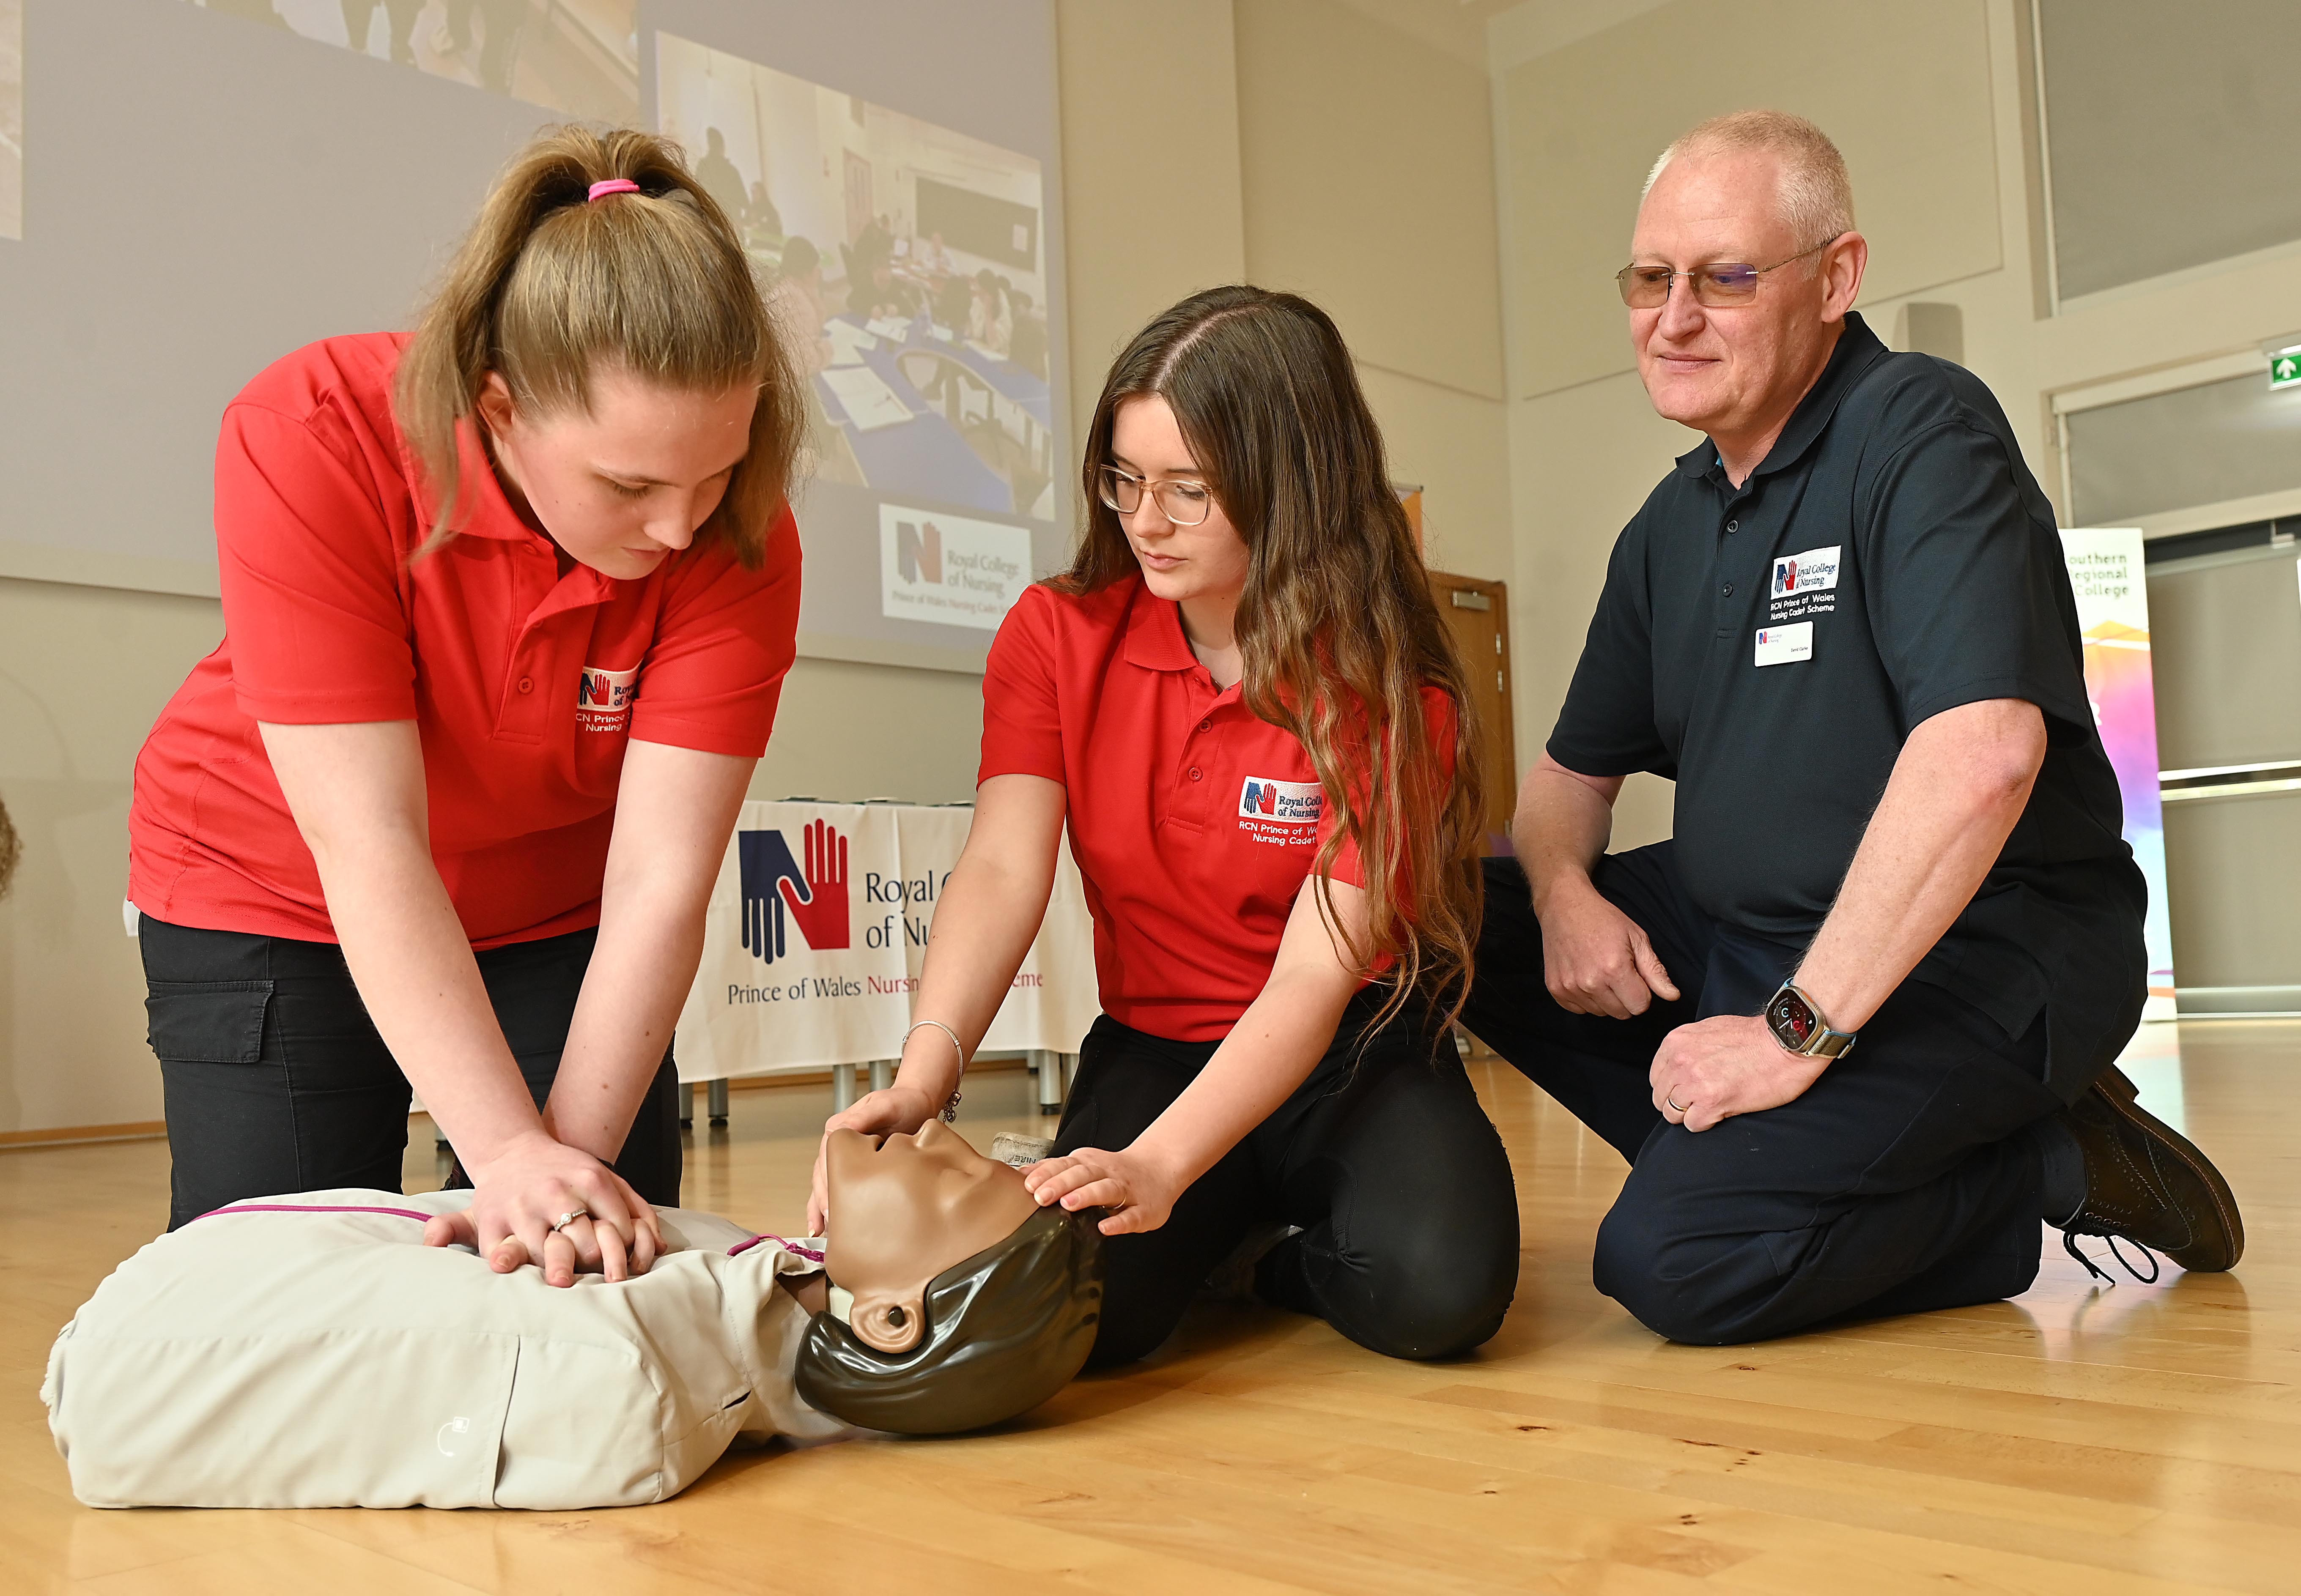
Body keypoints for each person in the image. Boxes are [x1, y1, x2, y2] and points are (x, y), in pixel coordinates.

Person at [1462, 111, 2242, 1347]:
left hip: (1978, 955)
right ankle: (1786, 1157)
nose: (1673, 318)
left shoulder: (1920, 434)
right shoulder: (1666, 529)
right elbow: (1562, 785)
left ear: (1836, 278)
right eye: (1648, 279)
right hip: (1749, 935)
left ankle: (2037, 1168)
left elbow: (1983, 754)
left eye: (1724, 277)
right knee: (1450, 914)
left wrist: (1794, 1033)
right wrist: (1562, 896)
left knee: (1676, 1259)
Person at [127, 127, 806, 1290]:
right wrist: (499, 1147)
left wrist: (557, 1180)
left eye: (715, 474)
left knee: (598, 1272)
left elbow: (660, 881)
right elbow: (367, 834)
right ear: (498, 407)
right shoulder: (314, 431)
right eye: (631, 484)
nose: (683, 529)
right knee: (276, 1292)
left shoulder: (736, 534)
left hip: (551, 910)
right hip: (272, 886)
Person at [807, 286, 1520, 1369]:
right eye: (1126, 480)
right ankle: (1213, 1228)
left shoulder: (1387, 685)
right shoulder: (1056, 633)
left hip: (1355, 1049)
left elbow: (1311, 978)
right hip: (1159, 1042)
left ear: (1294, 489)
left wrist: (1164, 1165)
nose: (1145, 520)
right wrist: (924, 1077)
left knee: (1439, 1295)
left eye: (1190, 490)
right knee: (1088, 1326)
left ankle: (1268, 1259)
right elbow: (1002, 866)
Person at [45, 1123, 1102, 1507]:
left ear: (887, 1322)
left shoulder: (620, 1373)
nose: (949, 1140)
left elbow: (112, 1397)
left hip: (142, 1332)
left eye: (964, 1186)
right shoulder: (734, 1276)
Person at [694, 127, 750, 234]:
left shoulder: (704, 167)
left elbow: (743, 199)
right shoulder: (730, 170)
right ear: (722, 147)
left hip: (715, 226)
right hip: (723, 225)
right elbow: (743, 199)